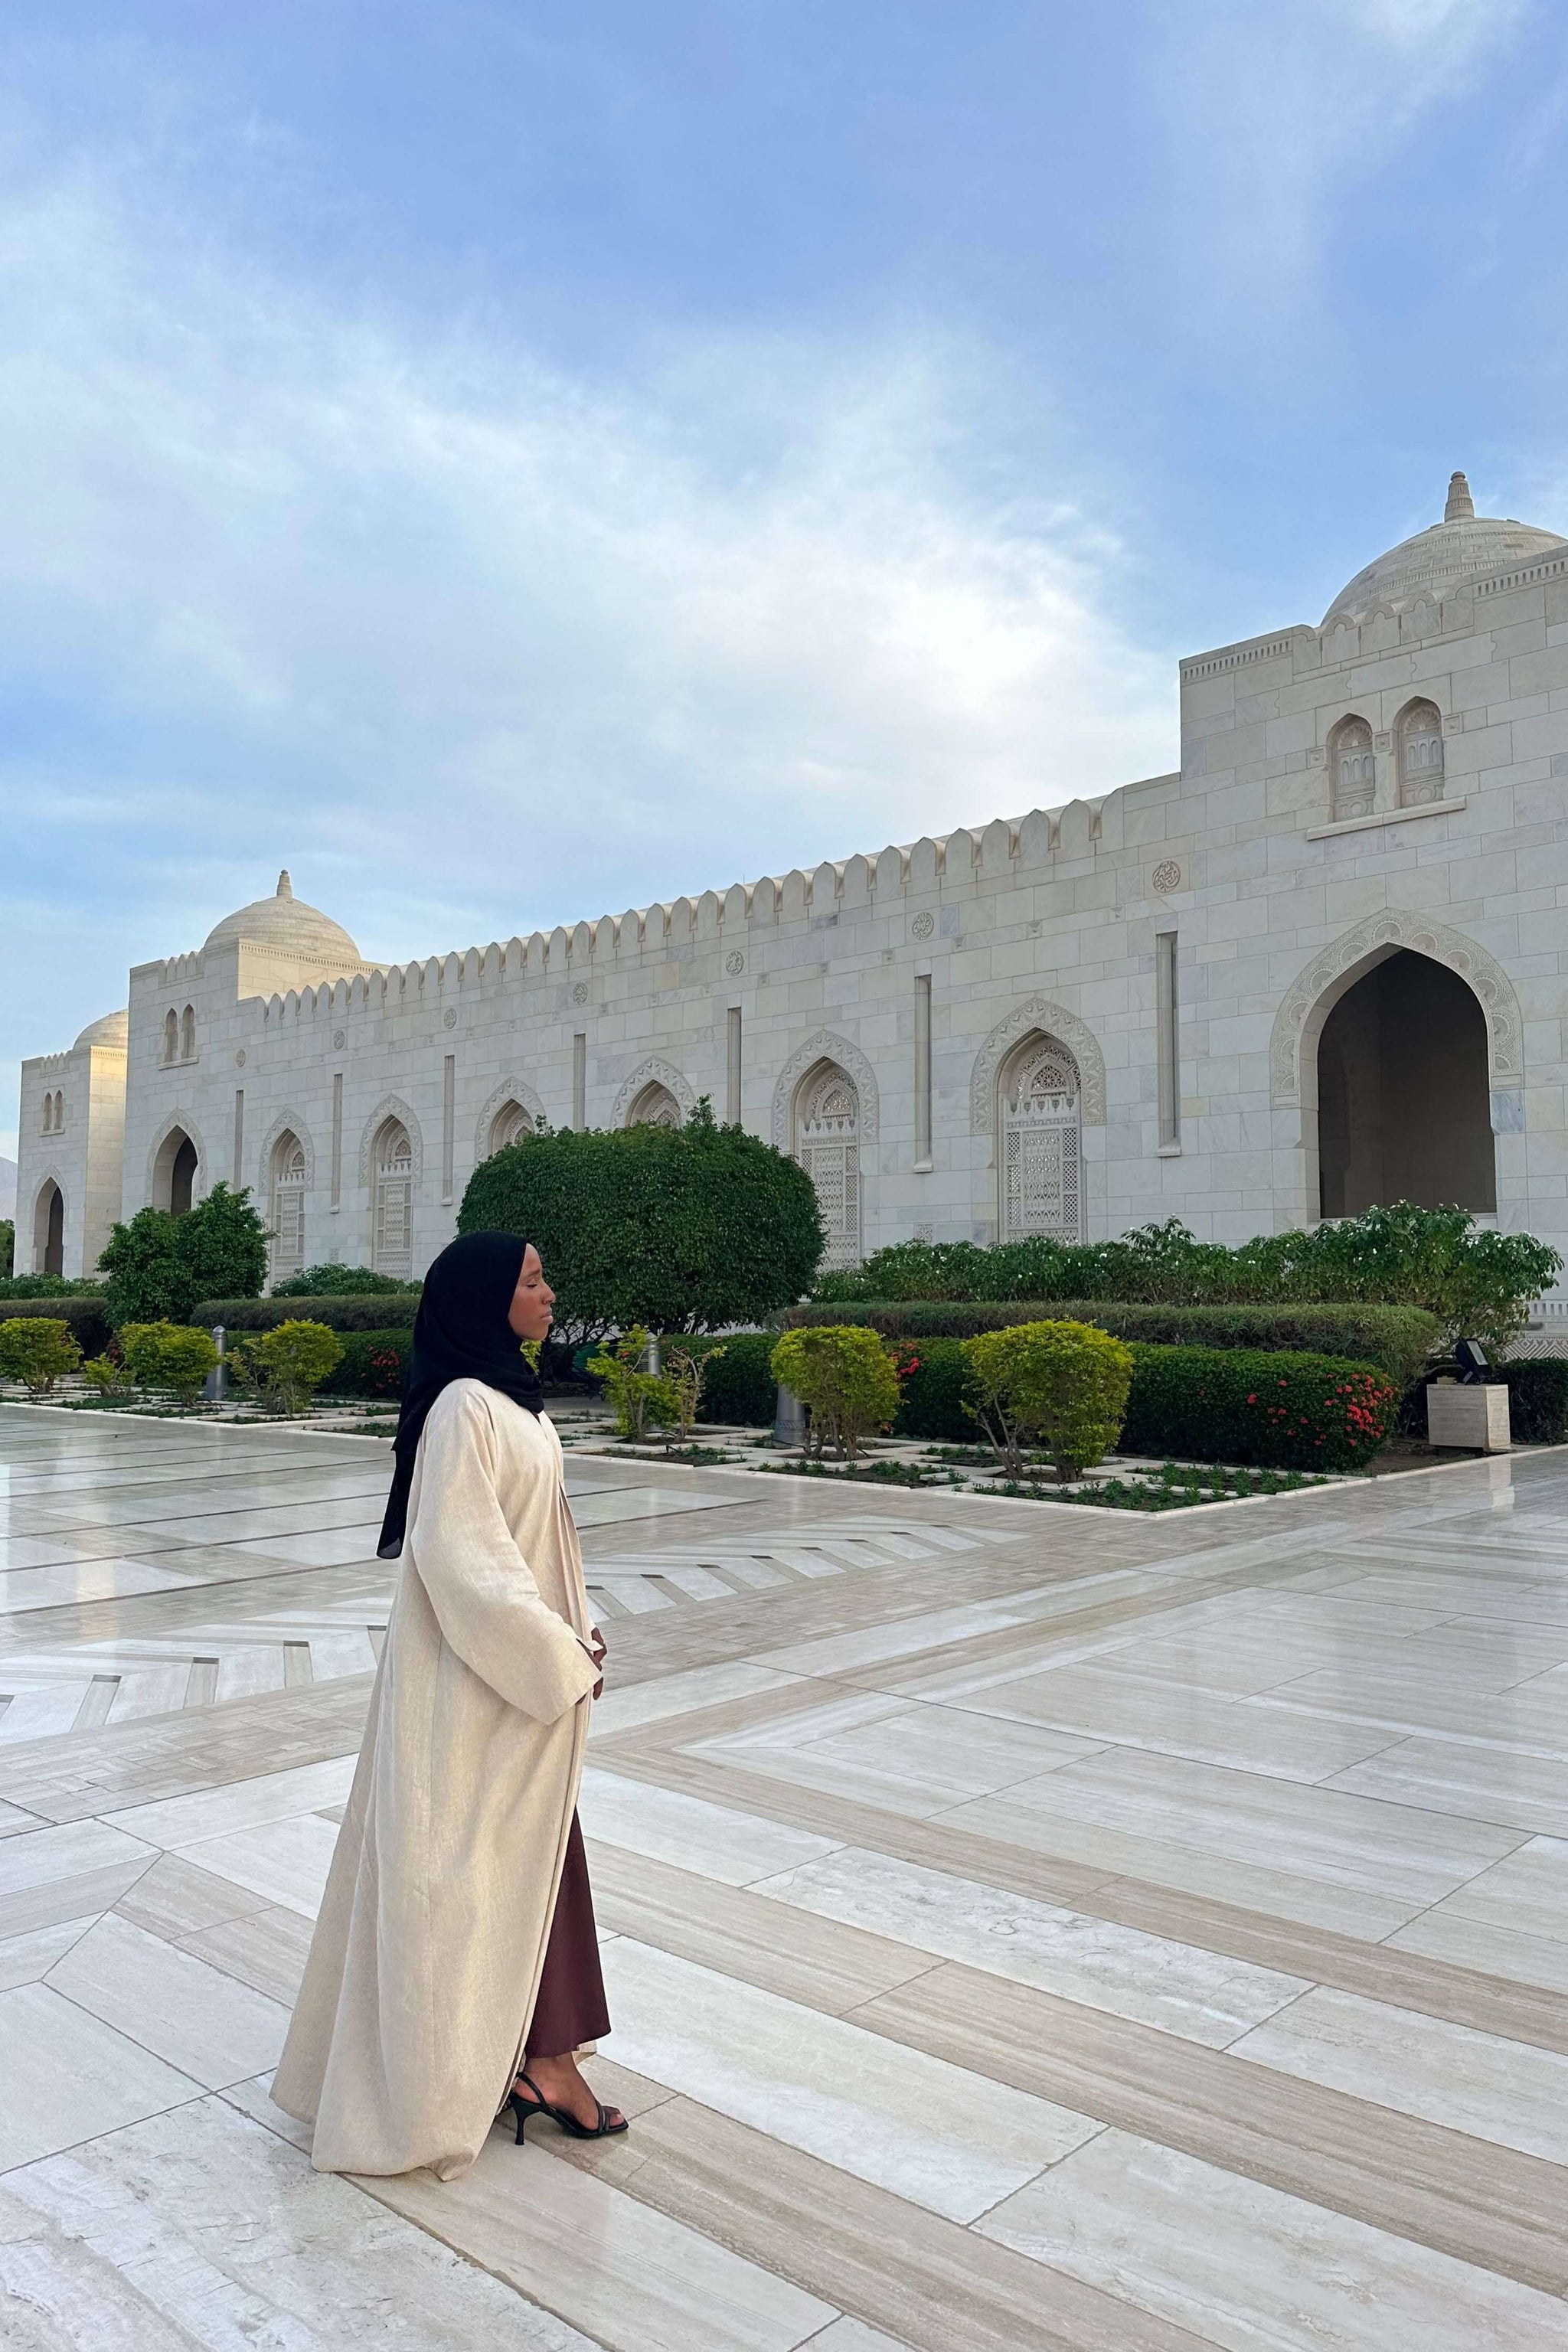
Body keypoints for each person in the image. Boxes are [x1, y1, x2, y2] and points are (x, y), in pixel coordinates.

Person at [271, 1230, 626, 2178]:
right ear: (482, 1299)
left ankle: (539, 2059)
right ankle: (445, 2085)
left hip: (518, 1681)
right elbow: (464, 1560)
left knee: (534, 1862)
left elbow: (542, 1542)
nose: (549, 1294)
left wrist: (579, 1628)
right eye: (532, 1280)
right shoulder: (463, 1408)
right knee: (454, 1881)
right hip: (466, 1687)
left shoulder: (514, 1403)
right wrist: (555, 1654)